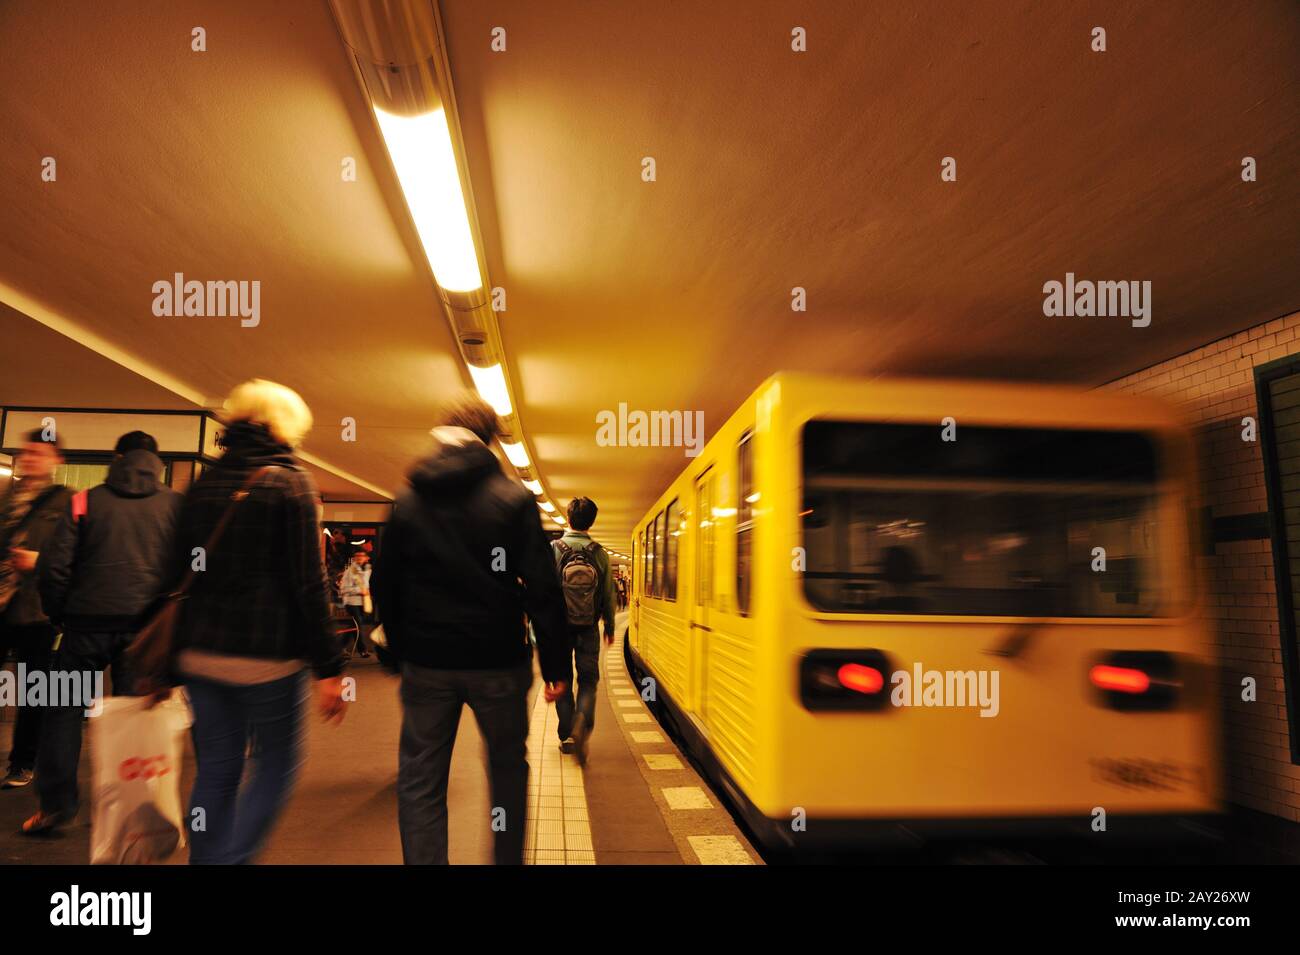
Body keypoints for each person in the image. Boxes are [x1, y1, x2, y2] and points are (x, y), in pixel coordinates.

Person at [371, 392, 570, 866]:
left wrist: (400, 648)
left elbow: (385, 580)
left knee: (420, 778)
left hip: (427, 663)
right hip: (497, 661)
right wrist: (558, 666)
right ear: (490, 441)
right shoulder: (513, 499)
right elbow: (542, 588)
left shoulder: (407, 499)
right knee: (505, 771)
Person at [170, 379, 346, 865]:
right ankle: (233, 860)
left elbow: (175, 571)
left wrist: (167, 664)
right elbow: (308, 583)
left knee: (217, 771)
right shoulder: (290, 482)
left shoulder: (203, 484)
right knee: (275, 766)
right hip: (266, 658)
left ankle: (207, 860)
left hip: (200, 655)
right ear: (280, 426)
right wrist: (329, 668)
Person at [23, 431, 182, 832]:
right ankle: (136, 807)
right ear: (155, 459)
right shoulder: (176, 506)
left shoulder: (84, 500)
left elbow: (54, 568)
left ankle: (57, 807)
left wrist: (60, 614)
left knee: (61, 709)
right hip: (144, 632)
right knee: (137, 716)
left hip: (84, 627)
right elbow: (186, 573)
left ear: (117, 457)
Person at [0, 429, 70, 790]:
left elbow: (75, 558)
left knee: (32, 691)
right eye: (27, 452)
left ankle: (22, 762)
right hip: (2, 603)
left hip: (38, 611)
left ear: (57, 460)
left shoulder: (67, 503)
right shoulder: (6, 497)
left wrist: (38, 562)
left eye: (40, 453)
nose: (31, 458)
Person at [551, 496, 617, 765]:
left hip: (558, 628)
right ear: (592, 521)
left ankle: (566, 735)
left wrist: (536, 630)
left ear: (568, 518)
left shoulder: (553, 549)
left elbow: (541, 592)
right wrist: (610, 626)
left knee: (562, 679)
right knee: (588, 680)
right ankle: (582, 723)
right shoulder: (599, 553)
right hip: (588, 626)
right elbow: (609, 594)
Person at [338, 551, 371, 657]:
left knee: (354, 625)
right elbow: (344, 589)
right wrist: (359, 590)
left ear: (367, 558)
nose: (359, 558)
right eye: (357, 556)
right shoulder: (350, 571)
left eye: (362, 556)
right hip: (351, 602)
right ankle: (362, 650)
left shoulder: (368, 570)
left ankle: (339, 648)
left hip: (364, 602)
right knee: (358, 624)